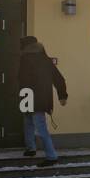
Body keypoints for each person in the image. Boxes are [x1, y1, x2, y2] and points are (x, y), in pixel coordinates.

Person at [18, 36, 68, 166]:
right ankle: (30, 148)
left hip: (28, 95)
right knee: (30, 121)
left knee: (36, 125)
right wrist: (62, 96)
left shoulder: (24, 59)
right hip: (43, 97)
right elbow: (59, 79)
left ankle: (51, 156)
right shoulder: (46, 60)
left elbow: (20, 79)